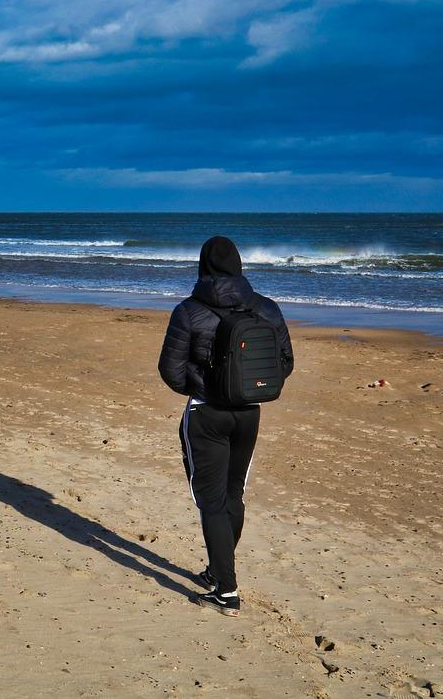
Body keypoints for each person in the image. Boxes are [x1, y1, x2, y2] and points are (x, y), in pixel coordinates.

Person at [158, 236, 293, 616]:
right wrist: (246, 389)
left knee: (211, 500)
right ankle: (219, 571)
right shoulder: (266, 308)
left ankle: (226, 591)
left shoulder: (188, 311)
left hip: (206, 413)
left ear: (203, 266)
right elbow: (285, 363)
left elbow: (170, 370)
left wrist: (204, 388)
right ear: (238, 265)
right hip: (250, 412)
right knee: (233, 494)